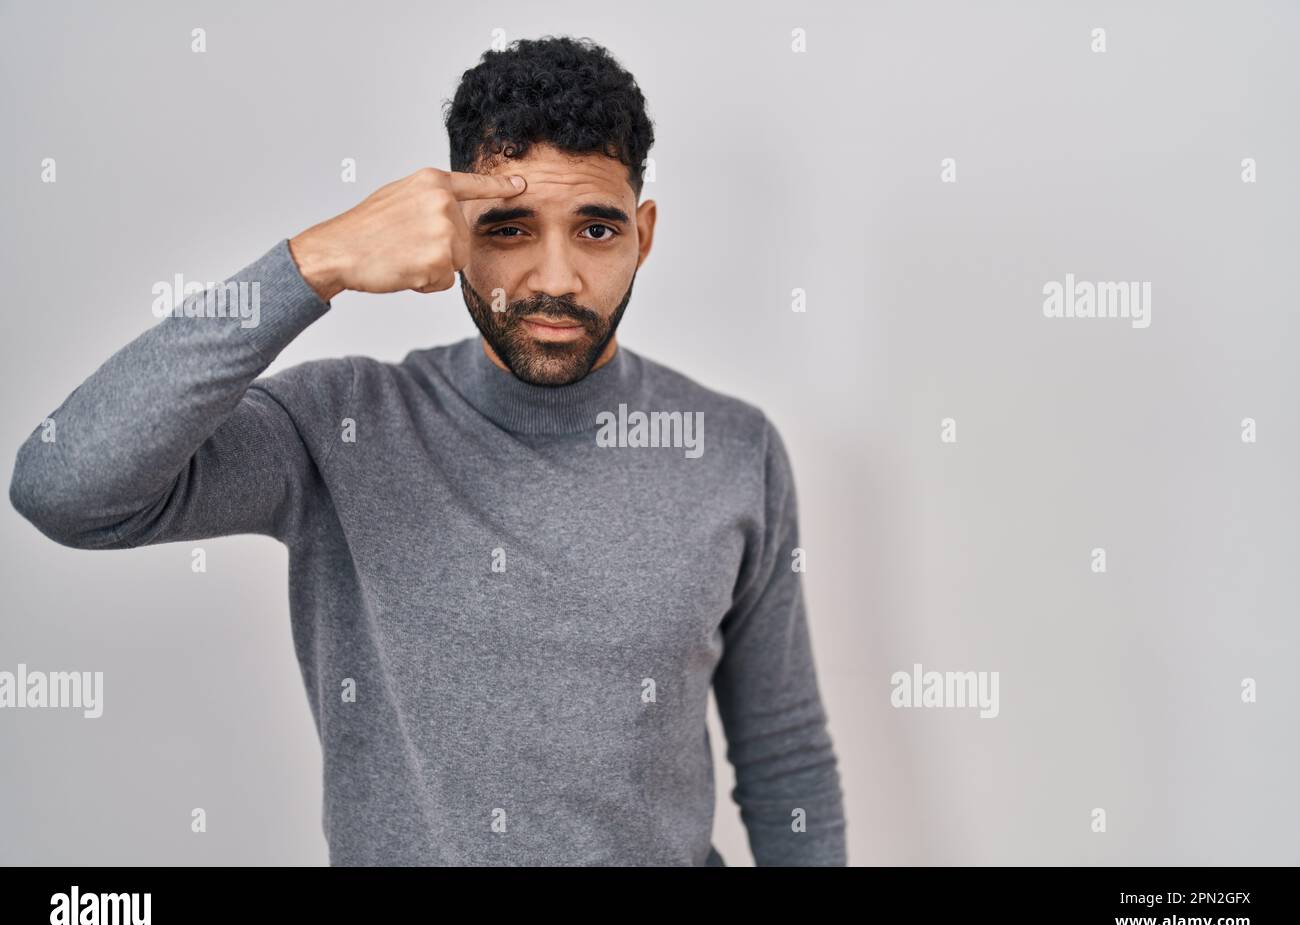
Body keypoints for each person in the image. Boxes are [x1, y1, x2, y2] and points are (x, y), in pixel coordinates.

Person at [9, 35, 846, 866]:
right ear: (450, 235)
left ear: (644, 235)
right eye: (510, 228)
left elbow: (784, 756)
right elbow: (64, 485)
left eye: (595, 228)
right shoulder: (340, 425)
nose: (555, 278)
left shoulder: (733, 449)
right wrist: (314, 262)